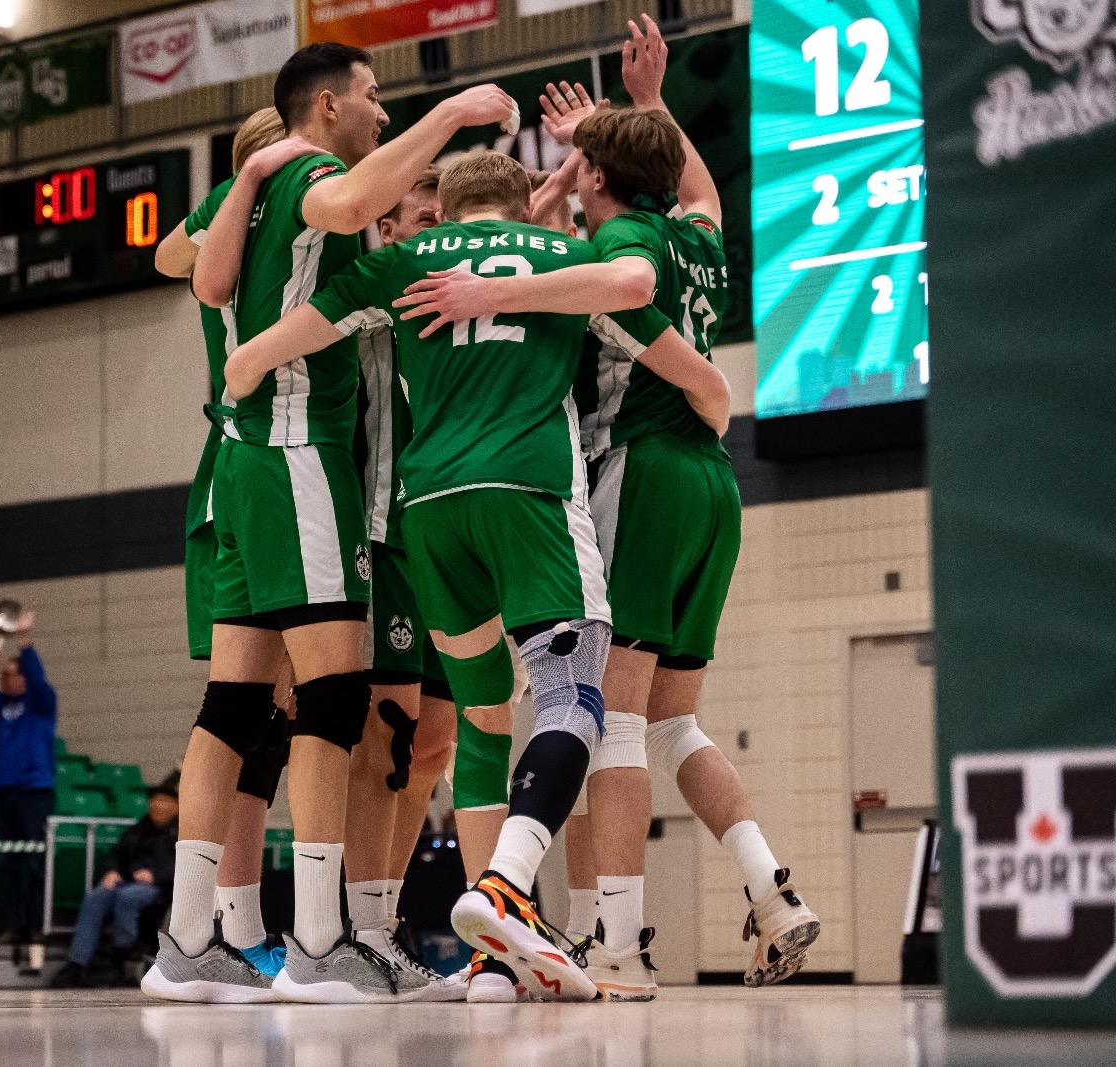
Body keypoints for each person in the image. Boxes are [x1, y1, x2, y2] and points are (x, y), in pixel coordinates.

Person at [224, 151, 727, 1000]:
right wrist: (711, 413)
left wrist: (237, 376)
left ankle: (493, 965)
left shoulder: (401, 262)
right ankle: (504, 892)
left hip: (430, 512)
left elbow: (267, 351)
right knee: (572, 694)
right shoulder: (564, 259)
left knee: (485, 717)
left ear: (446, 206)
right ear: (522, 203)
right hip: (529, 492)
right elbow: (680, 347)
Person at [402, 14, 818, 996]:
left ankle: (617, 943)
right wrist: (642, 109)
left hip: (639, 464)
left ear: (594, 179)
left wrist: (557, 189)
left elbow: (583, 276)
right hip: (715, 487)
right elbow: (703, 187)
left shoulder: (615, 247)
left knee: (611, 720)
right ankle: (771, 888)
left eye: (581, 167)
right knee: (674, 724)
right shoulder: (696, 232)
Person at [144, 43, 515, 1006]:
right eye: (375, 99)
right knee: (335, 699)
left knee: (232, 707)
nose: (384, 114)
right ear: (326, 106)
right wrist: (454, 112)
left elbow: (187, 269)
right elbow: (350, 207)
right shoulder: (314, 175)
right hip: (300, 452)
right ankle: (318, 941)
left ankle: (187, 941)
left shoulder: (252, 192)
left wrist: (248, 173)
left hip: (238, 464)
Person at [156, 106, 305, 986]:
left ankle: (222, 928)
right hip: (258, 463)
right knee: (255, 712)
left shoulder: (216, 238)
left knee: (258, 715)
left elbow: (167, 255)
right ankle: (229, 926)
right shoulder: (263, 216)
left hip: (232, 470)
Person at [339, 165, 463, 1001]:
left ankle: (382, 926)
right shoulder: (375, 303)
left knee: (438, 744)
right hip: (387, 535)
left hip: (454, 542)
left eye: (443, 218)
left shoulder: (466, 294)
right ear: (387, 228)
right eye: (421, 217)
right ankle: (359, 933)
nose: (434, 231)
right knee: (384, 736)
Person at [0, 611, 56, 945]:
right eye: (4, 677)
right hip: (5, 793)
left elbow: (37, 678)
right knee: (5, 859)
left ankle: (33, 926)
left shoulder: (41, 703)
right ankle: (7, 921)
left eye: (11, 675)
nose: (7, 681)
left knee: (34, 861)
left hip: (34, 792)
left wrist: (24, 642)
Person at [51, 781, 180, 988]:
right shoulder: (137, 829)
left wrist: (155, 875)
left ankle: (122, 958)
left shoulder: (180, 833)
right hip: (126, 881)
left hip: (160, 888)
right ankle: (76, 963)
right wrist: (111, 871)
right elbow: (116, 854)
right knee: (96, 896)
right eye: (155, 800)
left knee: (128, 897)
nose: (157, 805)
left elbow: (181, 866)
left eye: (164, 800)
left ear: (177, 806)